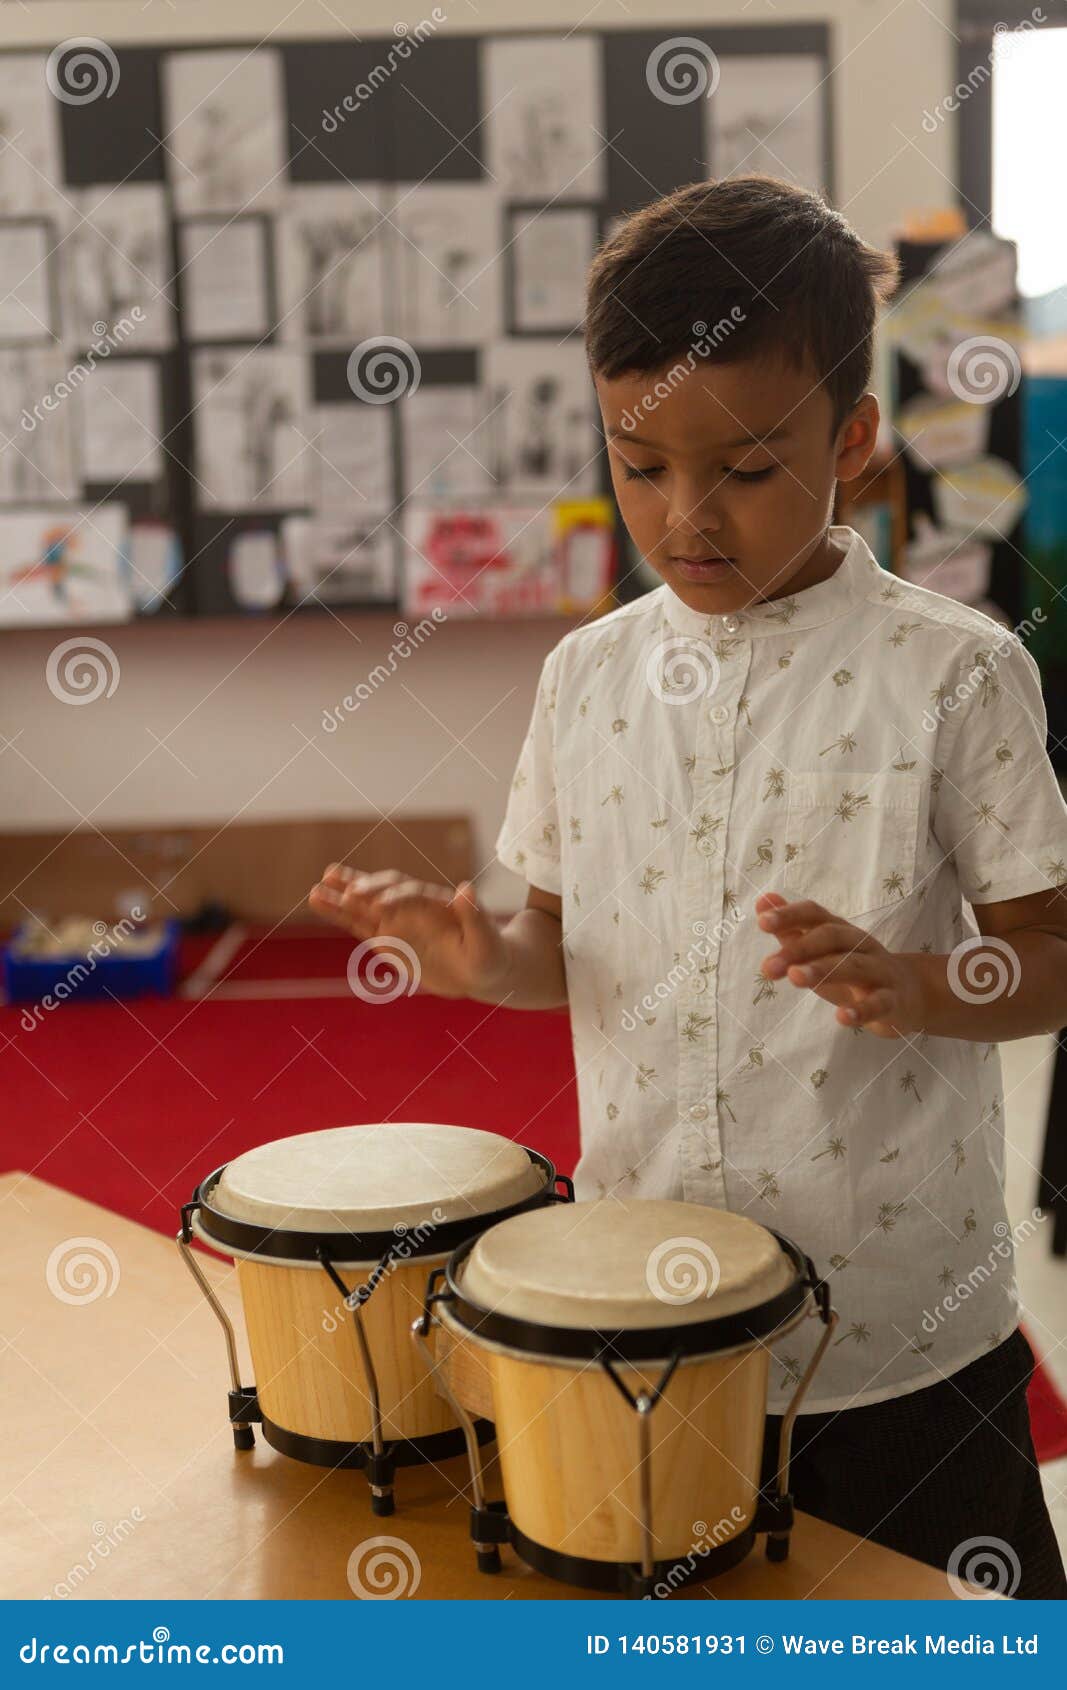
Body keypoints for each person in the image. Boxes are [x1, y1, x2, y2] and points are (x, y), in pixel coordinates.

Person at [310, 175, 1067, 1597]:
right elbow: (553, 944)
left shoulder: (958, 670)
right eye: (642, 464)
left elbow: (1050, 949)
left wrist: (921, 983)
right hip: (644, 1318)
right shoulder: (584, 678)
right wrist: (482, 953)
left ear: (851, 439)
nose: (685, 515)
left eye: (747, 467)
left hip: (900, 1333)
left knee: (972, 1642)